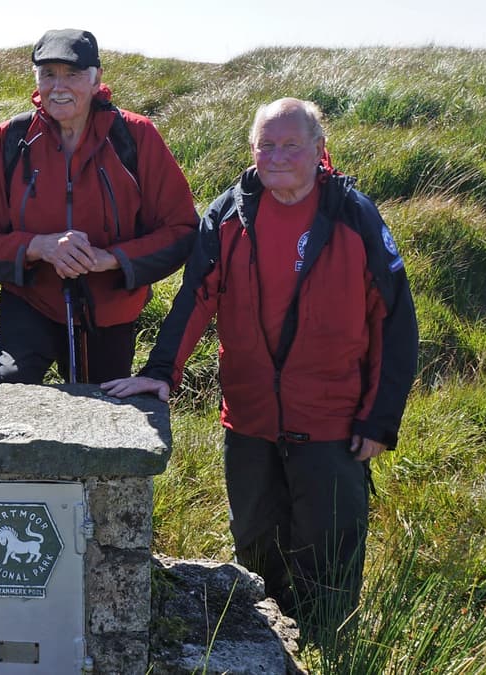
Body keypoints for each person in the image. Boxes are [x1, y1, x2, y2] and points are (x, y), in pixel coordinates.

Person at [102, 98, 419, 643]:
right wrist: (161, 371)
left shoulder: (353, 216)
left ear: (319, 150)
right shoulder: (229, 212)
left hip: (334, 424)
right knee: (255, 543)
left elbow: (395, 323)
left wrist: (380, 418)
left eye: (290, 145)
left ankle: (326, 646)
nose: (276, 156)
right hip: (249, 420)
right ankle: (268, 645)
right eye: (265, 145)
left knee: (328, 551)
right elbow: (194, 298)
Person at [0, 28, 200, 385]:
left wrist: (111, 259)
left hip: (110, 309)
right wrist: (37, 248)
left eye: (72, 74)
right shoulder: (10, 138)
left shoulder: (134, 136)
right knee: (13, 389)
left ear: (96, 78)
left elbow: (181, 229)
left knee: (103, 411)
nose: (59, 86)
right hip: (30, 302)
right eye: (48, 74)